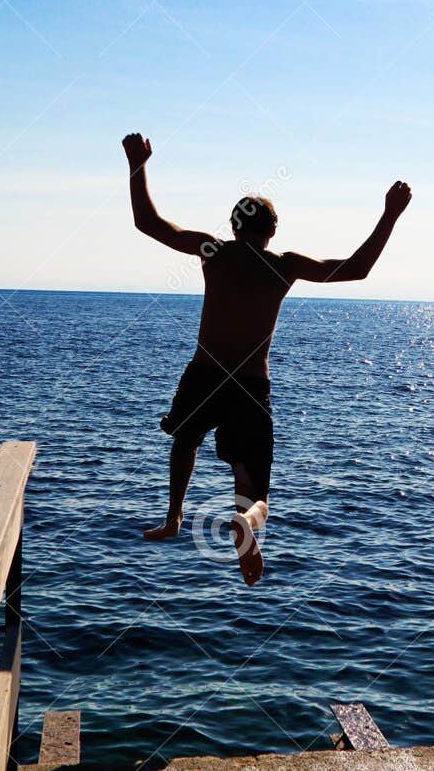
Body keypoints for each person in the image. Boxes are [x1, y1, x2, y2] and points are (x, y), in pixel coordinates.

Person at [122, 133, 412, 584]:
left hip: (205, 373)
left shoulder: (211, 250)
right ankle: (246, 527)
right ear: (272, 231)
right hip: (250, 386)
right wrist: (390, 215)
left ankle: (175, 516)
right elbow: (357, 268)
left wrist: (137, 164)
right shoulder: (285, 265)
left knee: (186, 440)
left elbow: (148, 223)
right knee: (253, 487)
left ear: (233, 227)